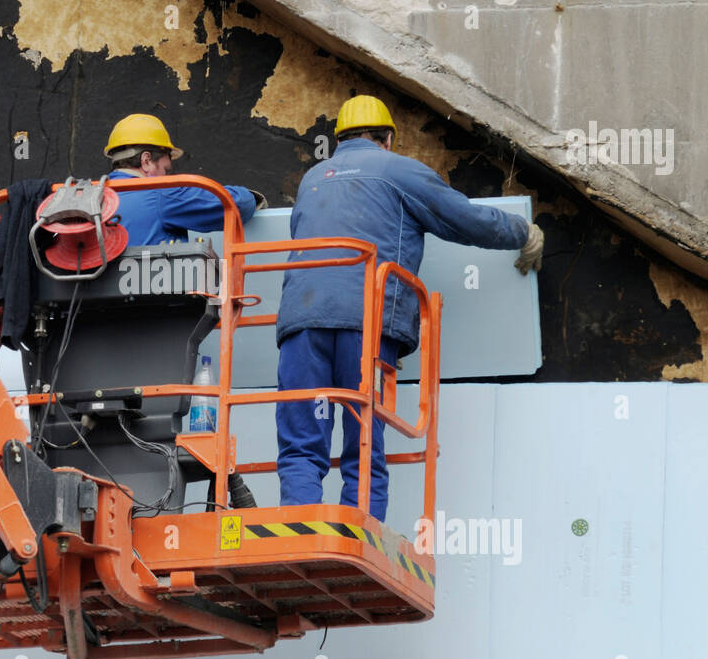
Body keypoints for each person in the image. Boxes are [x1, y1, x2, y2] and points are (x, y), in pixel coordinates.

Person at [275, 95, 544, 521]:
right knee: (363, 442)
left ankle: (298, 528)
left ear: (340, 139)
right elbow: (463, 219)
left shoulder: (312, 178)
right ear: (386, 140)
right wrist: (521, 233)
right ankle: (357, 535)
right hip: (367, 323)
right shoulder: (397, 170)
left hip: (301, 324)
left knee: (302, 440)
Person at [103, 113, 261, 245]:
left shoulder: (90, 196)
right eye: (165, 170)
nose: (166, 177)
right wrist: (254, 198)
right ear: (147, 160)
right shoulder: (159, 195)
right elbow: (239, 204)